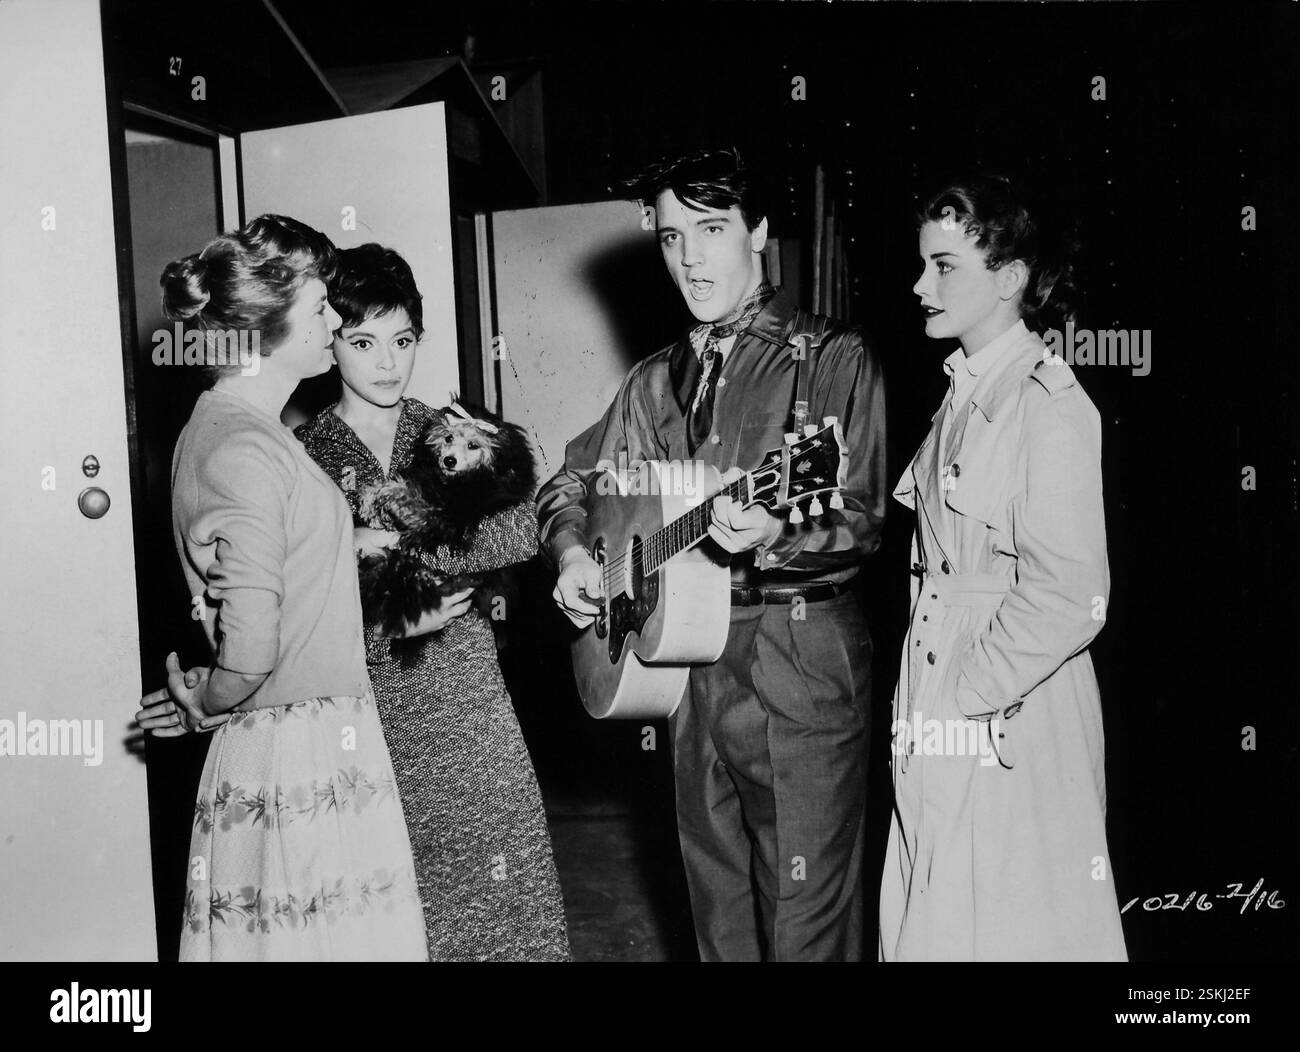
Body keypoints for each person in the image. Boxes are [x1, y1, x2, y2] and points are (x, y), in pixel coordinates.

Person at [537, 148, 887, 961]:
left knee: (805, 931)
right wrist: (570, 555)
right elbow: (569, 482)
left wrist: (777, 534)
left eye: (711, 228)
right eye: (669, 237)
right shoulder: (654, 381)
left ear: (759, 232)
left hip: (797, 665)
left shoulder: (833, 358)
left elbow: (861, 514)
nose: (690, 257)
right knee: (717, 924)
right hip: (686, 677)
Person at [134, 215, 427, 961]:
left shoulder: (239, 430)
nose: (335, 323)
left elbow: (267, 585)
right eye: (323, 307)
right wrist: (207, 698)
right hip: (299, 750)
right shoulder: (243, 446)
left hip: (307, 732)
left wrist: (351, 546)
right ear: (270, 322)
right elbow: (253, 646)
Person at [295, 243, 570, 962]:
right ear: (329, 340)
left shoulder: (445, 426)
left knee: (504, 908)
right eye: (363, 342)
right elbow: (303, 595)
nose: (387, 363)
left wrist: (392, 545)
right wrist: (387, 598)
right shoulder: (306, 453)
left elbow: (520, 529)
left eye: (403, 341)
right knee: (388, 912)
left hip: (464, 697)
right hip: (361, 704)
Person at [879, 174, 1127, 961]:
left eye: (945, 266)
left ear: (1011, 279)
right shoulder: (961, 393)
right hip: (941, 694)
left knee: (1015, 927)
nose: (921, 284)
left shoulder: (1047, 403)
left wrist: (966, 695)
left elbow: (1071, 596)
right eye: (923, 264)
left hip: (1010, 711)